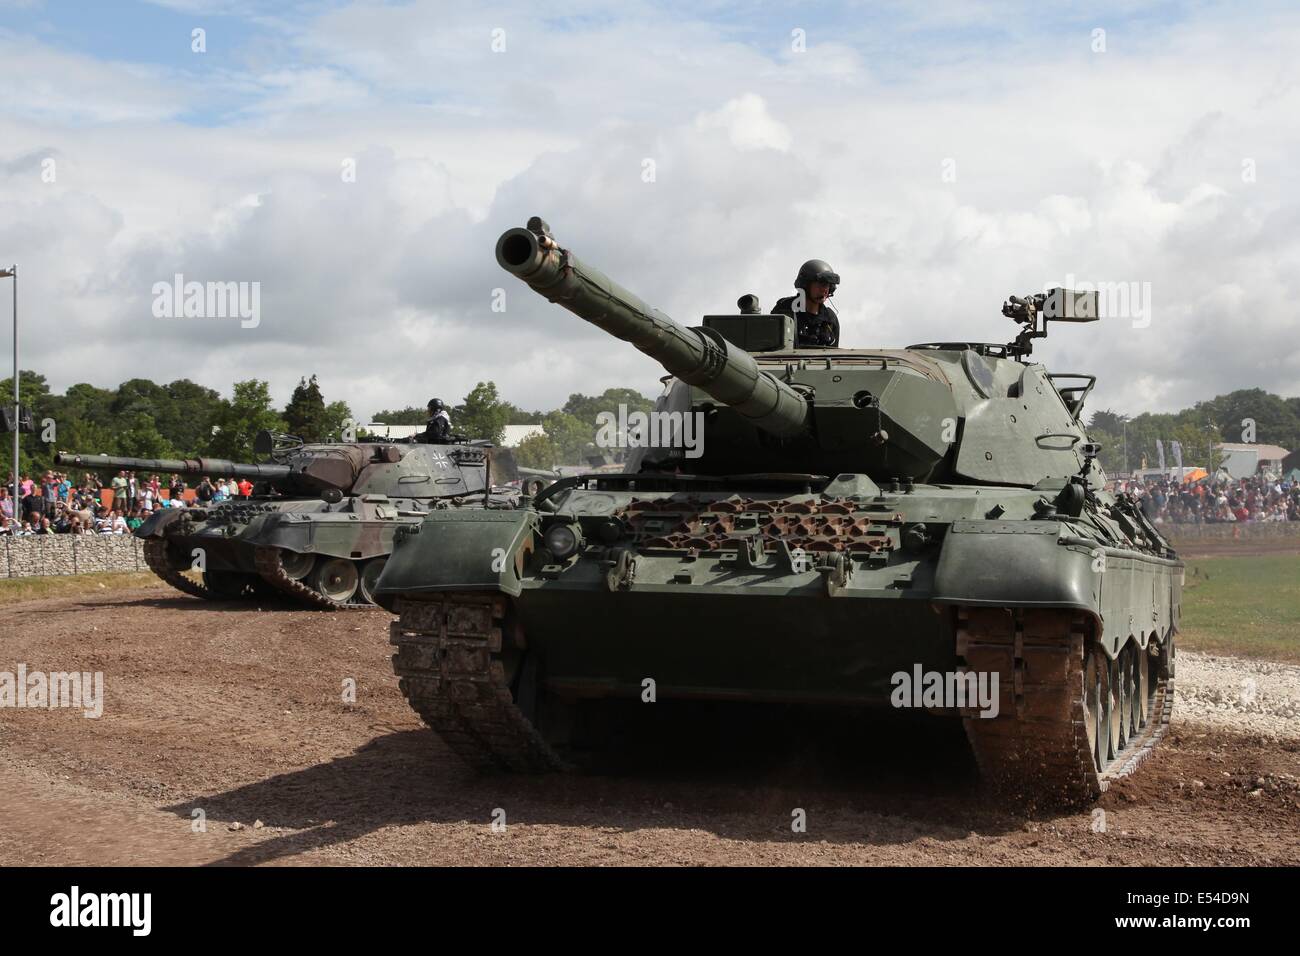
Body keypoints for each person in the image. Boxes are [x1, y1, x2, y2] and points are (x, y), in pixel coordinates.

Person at [773, 259, 841, 347]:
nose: (825, 289)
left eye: (827, 285)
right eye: (821, 284)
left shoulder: (830, 319)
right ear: (806, 284)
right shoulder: (785, 310)